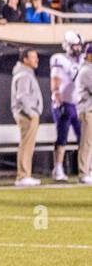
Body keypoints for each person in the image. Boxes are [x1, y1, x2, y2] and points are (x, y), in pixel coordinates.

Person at [49, 31, 82, 181]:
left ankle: (86, 168)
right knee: (62, 137)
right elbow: (55, 81)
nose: (77, 49)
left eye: (78, 45)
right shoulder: (59, 59)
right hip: (64, 103)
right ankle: (58, 168)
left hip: (78, 104)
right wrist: (57, 96)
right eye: (74, 46)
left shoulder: (82, 60)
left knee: (84, 138)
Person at [10, 47, 43, 187]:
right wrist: (31, 112)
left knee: (28, 145)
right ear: (25, 59)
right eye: (33, 57)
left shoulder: (26, 73)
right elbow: (22, 96)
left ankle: (25, 174)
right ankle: (23, 175)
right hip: (26, 114)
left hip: (27, 113)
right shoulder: (23, 74)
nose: (36, 60)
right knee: (26, 144)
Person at [75, 44, 92, 185]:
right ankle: (84, 172)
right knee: (86, 142)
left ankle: (89, 170)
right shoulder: (87, 70)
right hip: (88, 110)